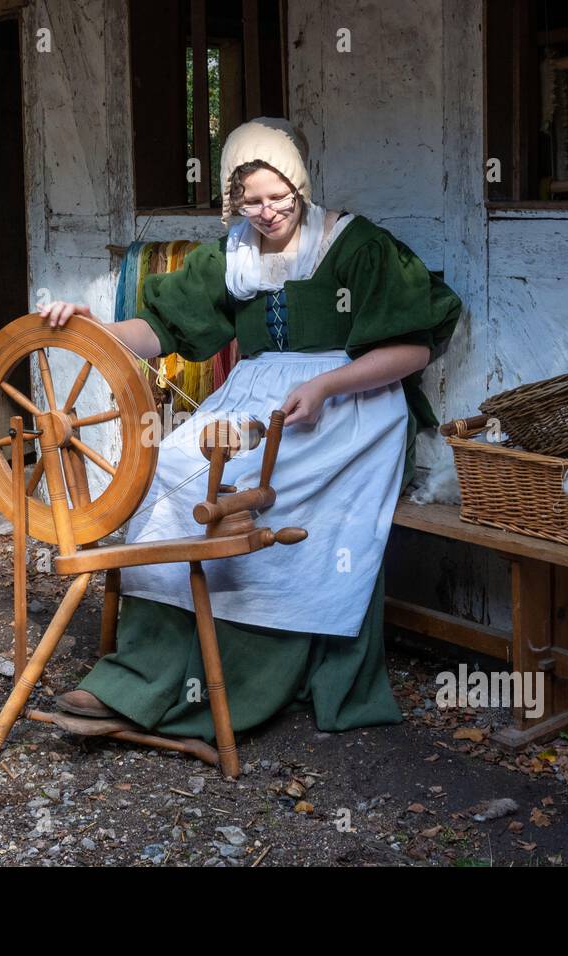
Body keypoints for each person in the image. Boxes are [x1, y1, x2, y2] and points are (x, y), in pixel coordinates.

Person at [37, 117, 461, 744]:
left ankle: (241, 678)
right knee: (167, 478)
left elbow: (412, 350)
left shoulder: (356, 245)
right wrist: (88, 327)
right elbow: (160, 333)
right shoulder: (229, 256)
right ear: (233, 199)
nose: (266, 213)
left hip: (353, 407)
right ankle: (141, 676)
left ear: (301, 186)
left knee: (259, 499)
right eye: (251, 200)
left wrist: (324, 386)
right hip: (254, 402)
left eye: (278, 198)